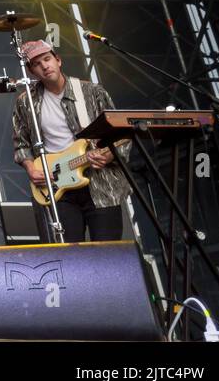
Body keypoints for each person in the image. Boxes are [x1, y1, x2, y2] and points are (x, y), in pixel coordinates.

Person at [12, 40, 131, 242]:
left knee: (108, 254)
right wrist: (31, 168)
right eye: (37, 64)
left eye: (47, 59)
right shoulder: (26, 102)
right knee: (69, 257)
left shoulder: (92, 92)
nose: (44, 66)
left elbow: (122, 134)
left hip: (99, 184)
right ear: (32, 72)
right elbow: (20, 143)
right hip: (57, 188)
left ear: (58, 60)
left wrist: (109, 155)